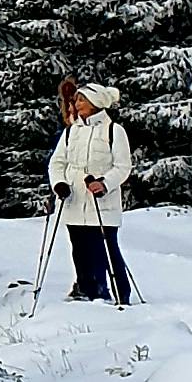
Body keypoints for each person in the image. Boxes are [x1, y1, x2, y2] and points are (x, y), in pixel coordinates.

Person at [47, 80, 135, 302]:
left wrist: (104, 183)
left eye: (81, 99)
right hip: (74, 200)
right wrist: (59, 183)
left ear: (96, 102)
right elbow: (57, 162)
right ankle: (86, 290)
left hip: (102, 202)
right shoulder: (71, 132)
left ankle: (119, 294)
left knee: (106, 250)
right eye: (77, 99)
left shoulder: (114, 131)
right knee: (79, 249)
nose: (76, 104)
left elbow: (123, 166)